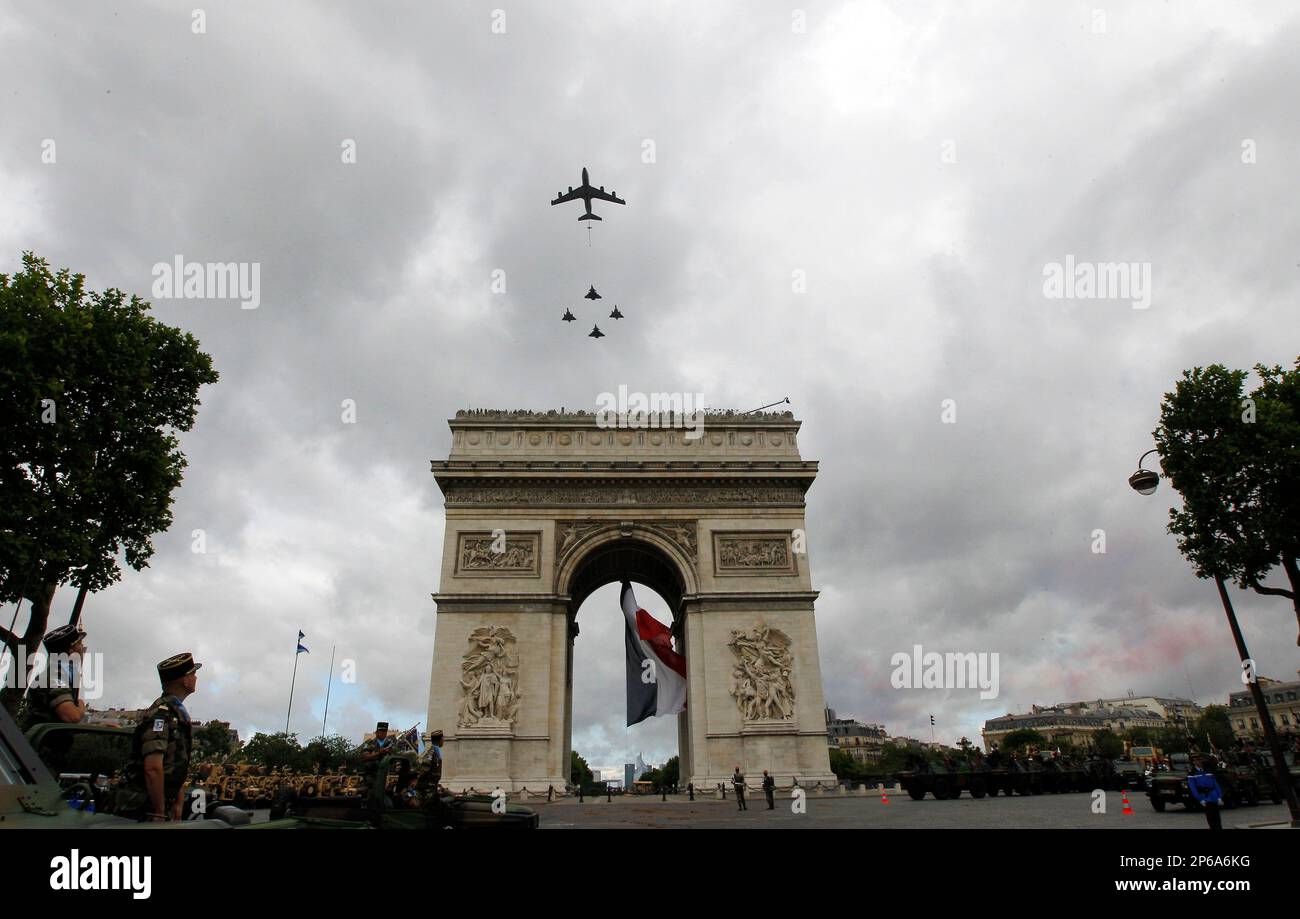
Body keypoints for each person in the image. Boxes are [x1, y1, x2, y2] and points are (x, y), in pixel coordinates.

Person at [114, 652, 200, 822]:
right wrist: (159, 811)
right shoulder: (161, 715)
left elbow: (175, 763)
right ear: (185, 680)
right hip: (142, 806)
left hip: (160, 801)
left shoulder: (176, 713)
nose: (196, 677)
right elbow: (153, 768)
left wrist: (178, 799)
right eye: (192, 673)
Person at [358, 721, 395, 808]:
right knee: (368, 797)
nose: (383, 733)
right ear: (376, 732)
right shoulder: (370, 743)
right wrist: (379, 753)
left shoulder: (388, 744)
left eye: (385, 732)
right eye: (381, 731)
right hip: (370, 776)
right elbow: (365, 757)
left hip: (383, 776)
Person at [1187, 755, 1224, 831]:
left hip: (1213, 796)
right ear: (1193, 762)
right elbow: (1193, 788)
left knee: (1217, 817)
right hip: (1205, 797)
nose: (1199, 762)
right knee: (1211, 818)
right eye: (1196, 760)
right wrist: (1200, 799)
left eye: (1200, 760)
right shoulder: (1192, 772)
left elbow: (1215, 783)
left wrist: (1219, 796)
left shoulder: (1208, 769)